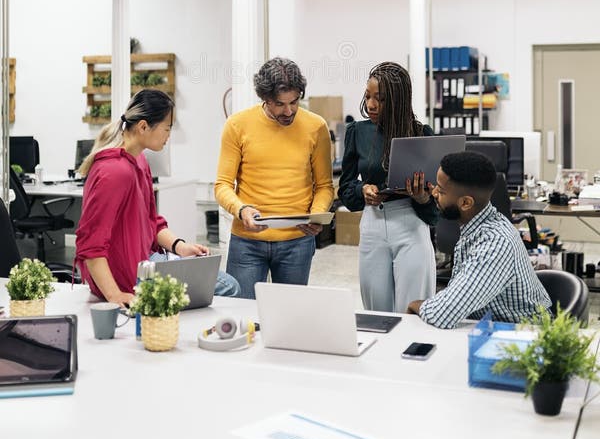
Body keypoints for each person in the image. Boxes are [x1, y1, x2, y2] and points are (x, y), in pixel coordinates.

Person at [76, 89, 240, 305]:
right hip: (127, 277)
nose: (169, 136)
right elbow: (91, 246)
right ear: (143, 126)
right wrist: (114, 295)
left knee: (221, 282)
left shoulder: (139, 161)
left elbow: (150, 221)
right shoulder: (115, 172)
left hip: (145, 262)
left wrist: (180, 247)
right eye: (167, 128)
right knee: (229, 287)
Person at [215, 57, 334, 299]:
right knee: (242, 316)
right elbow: (222, 185)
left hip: (297, 241)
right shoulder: (237, 125)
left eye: (294, 102)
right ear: (264, 98)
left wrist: (317, 213)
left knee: (289, 318)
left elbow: (324, 186)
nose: (289, 111)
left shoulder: (316, 127)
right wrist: (241, 210)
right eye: (279, 104)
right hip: (247, 242)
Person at [407, 151, 551, 328]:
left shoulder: (495, 244)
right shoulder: (477, 226)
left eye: (441, 190)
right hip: (490, 329)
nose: (434, 193)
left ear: (466, 203)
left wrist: (414, 305)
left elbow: (442, 313)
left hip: (525, 338)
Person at [338, 61, 438, 314]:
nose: (371, 105)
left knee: (413, 311)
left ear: (398, 100)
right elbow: (346, 189)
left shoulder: (421, 134)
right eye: (368, 97)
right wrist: (361, 189)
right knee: (377, 313)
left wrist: (423, 198)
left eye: (380, 99)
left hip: (411, 225)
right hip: (372, 225)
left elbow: (436, 210)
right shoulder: (356, 132)